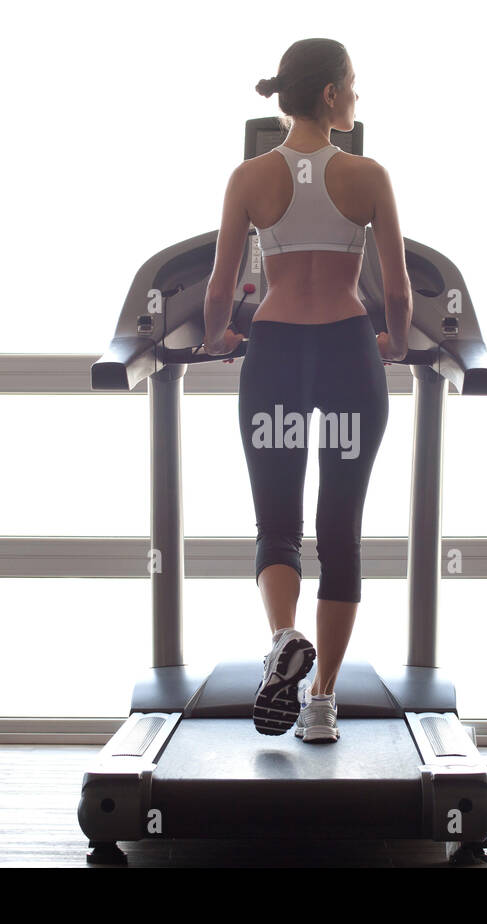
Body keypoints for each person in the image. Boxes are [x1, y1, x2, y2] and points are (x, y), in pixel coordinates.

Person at [201, 38, 412, 743]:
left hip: (277, 354)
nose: (356, 96)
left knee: (277, 524)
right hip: (349, 352)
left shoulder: (249, 179)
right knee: (341, 531)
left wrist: (221, 339)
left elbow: (221, 290)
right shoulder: (370, 176)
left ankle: (285, 639)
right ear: (329, 95)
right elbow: (401, 294)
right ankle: (320, 700)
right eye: (352, 85)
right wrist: (394, 343)